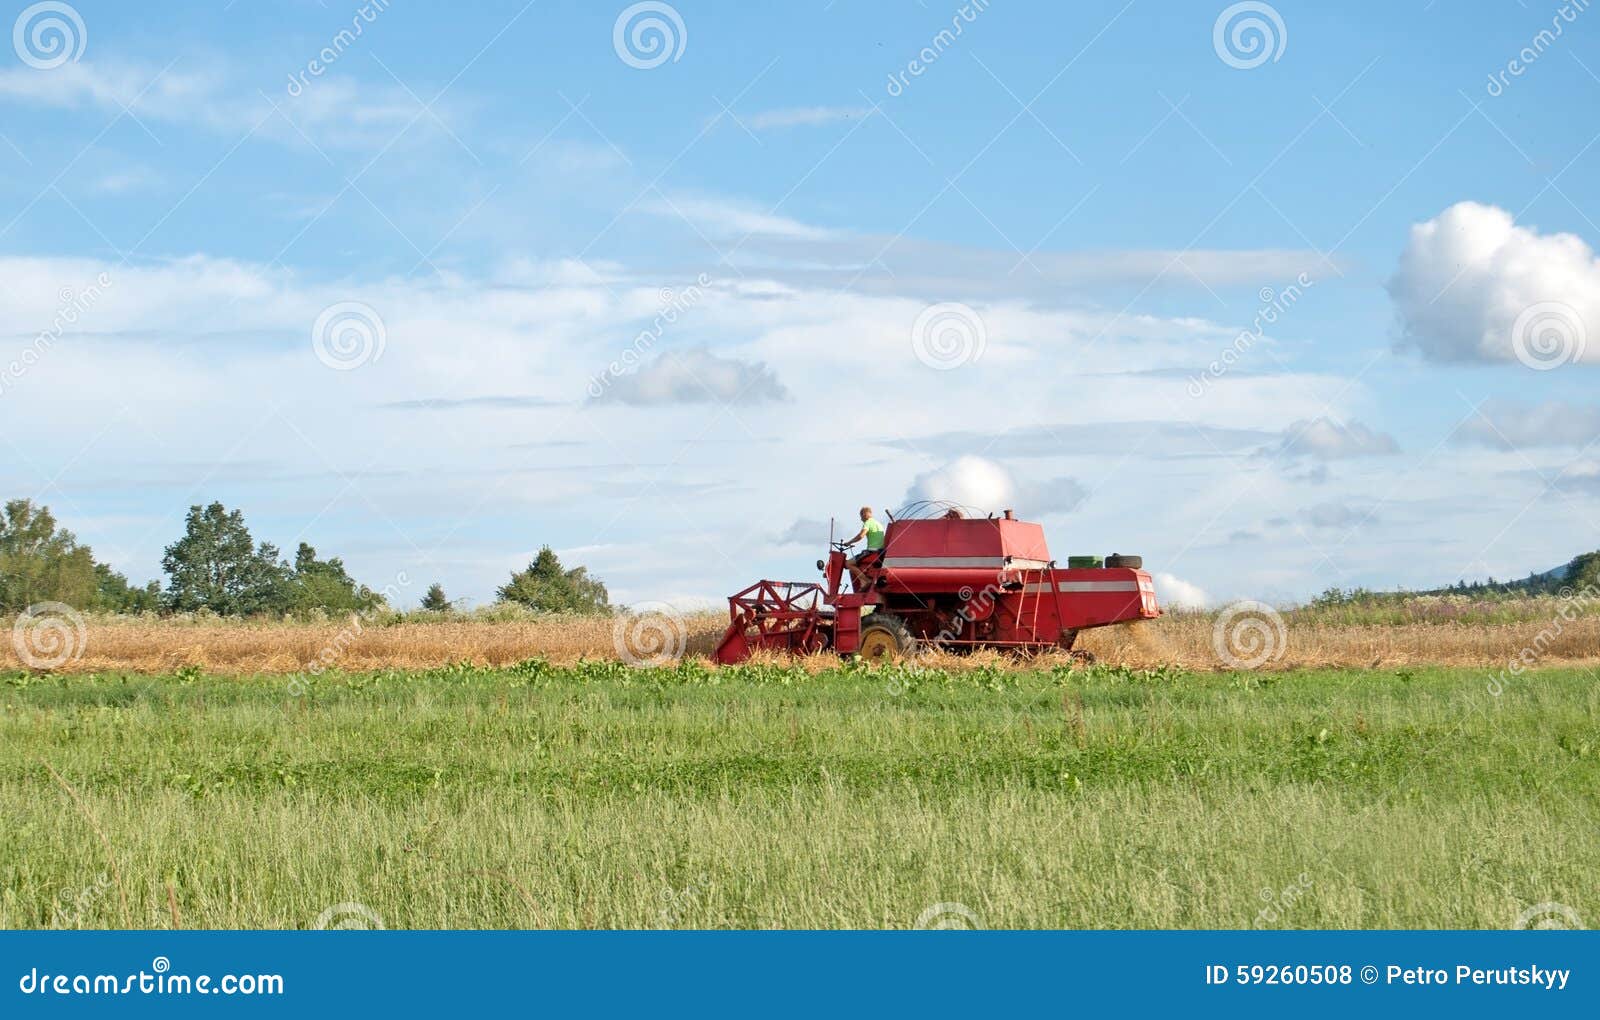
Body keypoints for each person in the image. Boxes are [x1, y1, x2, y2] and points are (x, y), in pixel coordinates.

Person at [844, 506, 885, 592]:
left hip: (872, 551)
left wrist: (849, 542)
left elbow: (861, 535)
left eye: (861, 516)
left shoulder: (868, 522)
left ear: (865, 514)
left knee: (848, 563)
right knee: (858, 561)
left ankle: (865, 580)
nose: (861, 519)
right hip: (880, 552)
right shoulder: (879, 524)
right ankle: (863, 582)